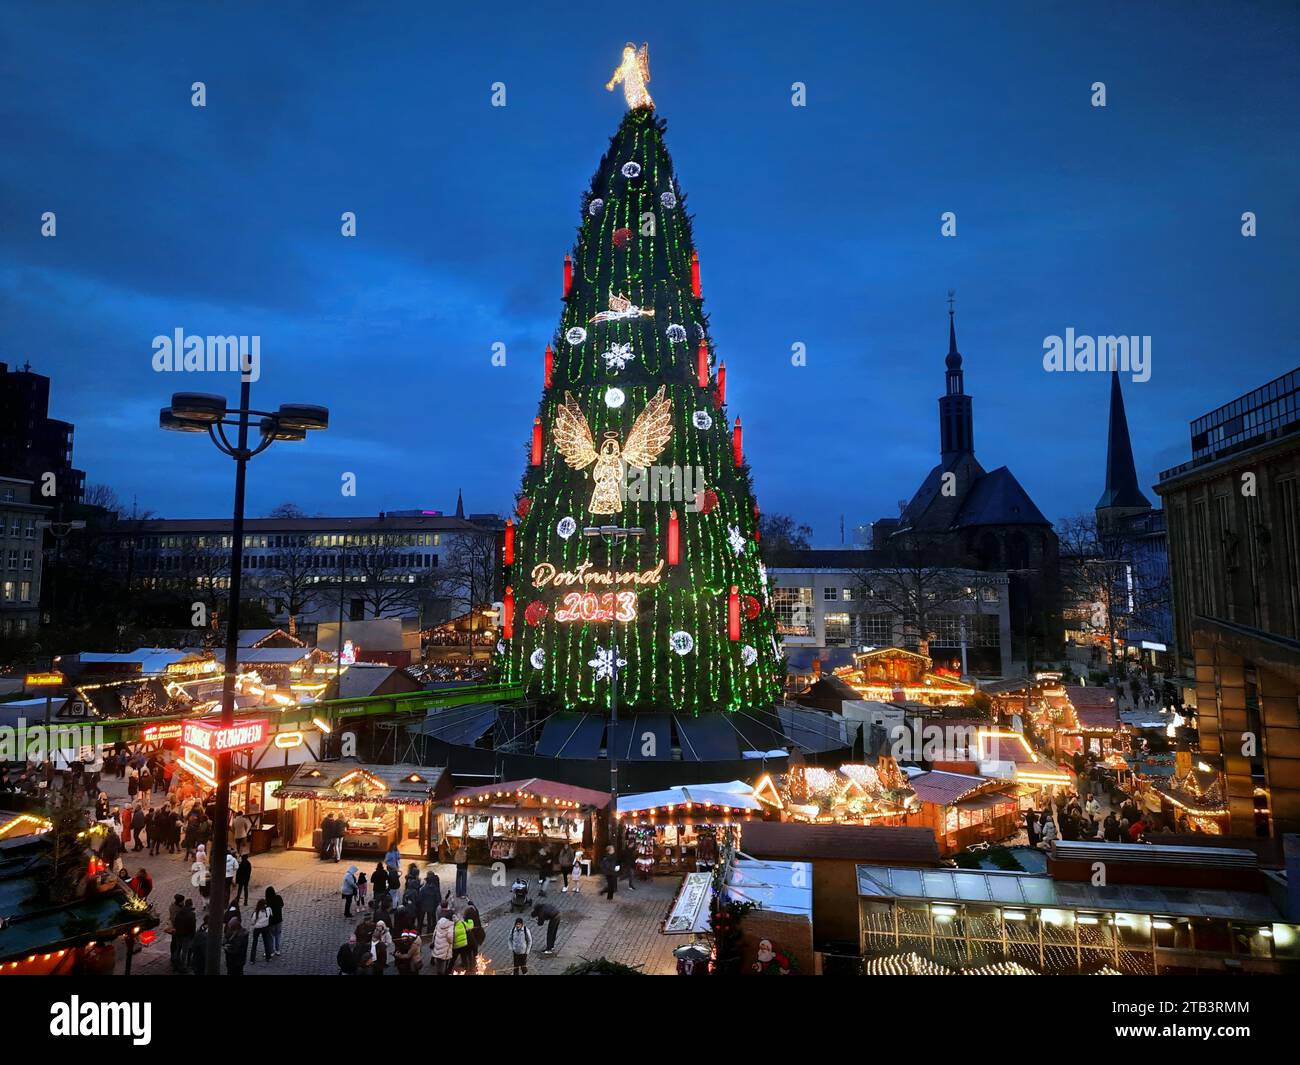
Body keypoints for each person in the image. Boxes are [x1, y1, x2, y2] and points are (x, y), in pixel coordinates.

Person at [171, 897, 196, 973]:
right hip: (186, 935)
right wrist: (193, 935)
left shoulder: (180, 912)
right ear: (191, 905)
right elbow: (193, 927)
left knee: (178, 949)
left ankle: (175, 963)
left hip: (178, 934)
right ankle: (183, 967)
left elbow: (175, 922)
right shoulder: (191, 915)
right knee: (185, 951)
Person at [431, 910, 455, 975]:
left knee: (438, 960)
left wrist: (433, 941)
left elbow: (435, 932)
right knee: (443, 963)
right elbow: (450, 936)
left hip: (437, 945)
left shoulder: (439, 921)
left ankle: (438, 972)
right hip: (445, 947)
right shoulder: (451, 925)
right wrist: (451, 942)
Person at [418, 870, 442, 935]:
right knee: (430, 919)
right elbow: (438, 898)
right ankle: (429, 931)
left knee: (421, 919)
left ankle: (419, 931)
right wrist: (436, 904)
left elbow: (419, 899)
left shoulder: (423, 889)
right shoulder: (435, 888)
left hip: (423, 907)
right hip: (431, 907)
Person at [248, 899, 272, 964]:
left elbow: (252, 922)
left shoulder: (256, 913)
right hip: (265, 927)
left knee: (254, 943)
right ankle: (268, 957)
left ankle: (252, 960)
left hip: (257, 928)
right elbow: (270, 915)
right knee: (266, 942)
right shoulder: (268, 910)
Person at [452, 906, 475, 973]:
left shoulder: (457, 926)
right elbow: (471, 926)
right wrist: (470, 921)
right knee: (469, 955)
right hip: (470, 943)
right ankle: (470, 968)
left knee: (464, 956)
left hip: (464, 944)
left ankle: (466, 967)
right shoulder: (465, 923)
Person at [265, 886, 285, 956]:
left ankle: (272, 951)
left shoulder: (267, 901)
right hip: (279, 920)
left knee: (271, 936)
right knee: (278, 935)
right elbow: (282, 905)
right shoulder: (278, 897)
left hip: (272, 922)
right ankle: (277, 950)